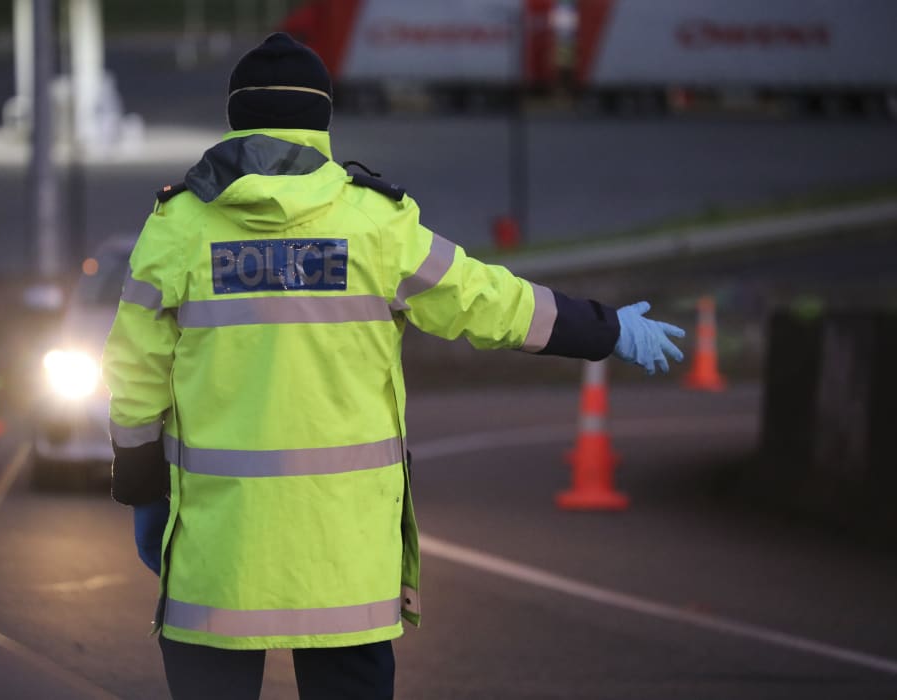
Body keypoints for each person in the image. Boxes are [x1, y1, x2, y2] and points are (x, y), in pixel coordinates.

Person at [102, 32, 684, 700]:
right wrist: (604, 329)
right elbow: (487, 301)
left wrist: (143, 491)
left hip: (215, 561)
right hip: (345, 565)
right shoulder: (377, 224)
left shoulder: (177, 228)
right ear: (321, 120)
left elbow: (133, 377)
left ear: (237, 118)